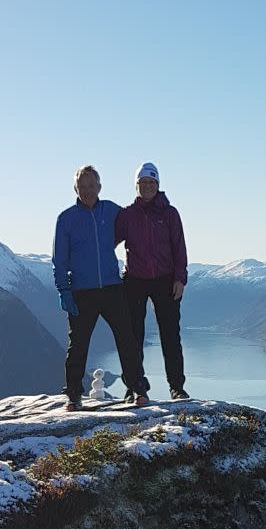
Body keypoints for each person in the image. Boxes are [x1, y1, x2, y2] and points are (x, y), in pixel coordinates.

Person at [52, 165, 150, 411]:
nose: (88, 191)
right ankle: (73, 394)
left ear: (99, 187)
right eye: (82, 187)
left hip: (111, 287)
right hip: (81, 291)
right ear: (76, 189)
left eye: (92, 186)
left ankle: (137, 388)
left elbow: (136, 223)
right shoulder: (66, 219)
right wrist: (64, 291)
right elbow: (60, 259)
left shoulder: (112, 211)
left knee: (126, 339)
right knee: (79, 344)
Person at [115, 162, 190, 401]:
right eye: (142, 182)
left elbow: (179, 247)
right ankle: (134, 387)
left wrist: (180, 278)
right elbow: (108, 244)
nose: (147, 186)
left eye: (151, 182)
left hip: (166, 279)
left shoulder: (170, 214)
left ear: (158, 185)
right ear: (136, 185)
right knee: (132, 336)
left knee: (170, 335)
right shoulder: (126, 215)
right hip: (134, 280)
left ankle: (176, 387)